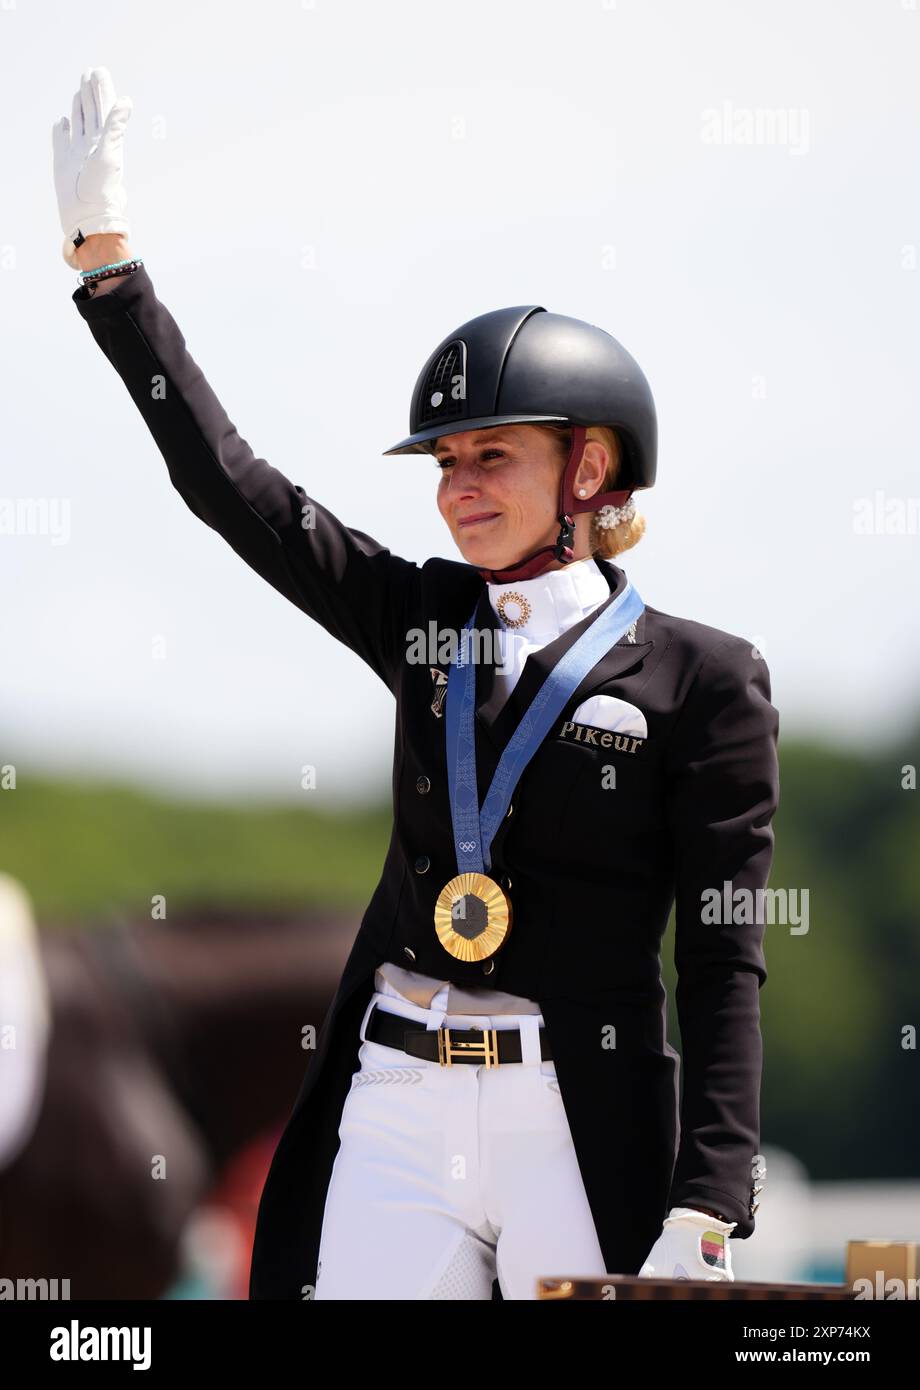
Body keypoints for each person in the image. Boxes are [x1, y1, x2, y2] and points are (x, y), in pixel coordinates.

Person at [54, 67, 778, 1300]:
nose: (456, 489)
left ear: (589, 466)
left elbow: (722, 957)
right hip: (396, 1100)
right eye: (444, 462)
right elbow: (235, 490)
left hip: (575, 1109)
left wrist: (708, 1194)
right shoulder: (420, 617)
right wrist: (111, 279)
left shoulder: (702, 681)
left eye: (490, 456)